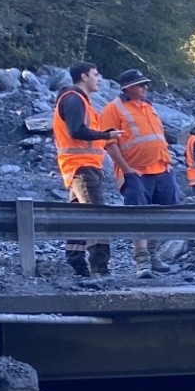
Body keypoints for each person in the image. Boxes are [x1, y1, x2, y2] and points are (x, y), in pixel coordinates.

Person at [50, 62, 121, 277]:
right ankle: (100, 268)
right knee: (96, 217)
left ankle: (76, 264)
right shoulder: (74, 99)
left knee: (78, 217)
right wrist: (107, 135)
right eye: (95, 74)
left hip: (80, 167)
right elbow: (77, 131)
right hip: (82, 167)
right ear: (83, 76)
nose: (98, 78)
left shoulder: (79, 100)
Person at [104, 68, 178, 271]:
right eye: (141, 84)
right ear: (128, 88)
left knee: (161, 214)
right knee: (138, 216)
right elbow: (110, 144)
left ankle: (153, 255)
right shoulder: (113, 109)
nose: (146, 87)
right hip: (136, 172)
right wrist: (127, 170)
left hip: (161, 169)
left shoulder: (148, 107)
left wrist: (168, 164)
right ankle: (142, 261)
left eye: (146, 84)